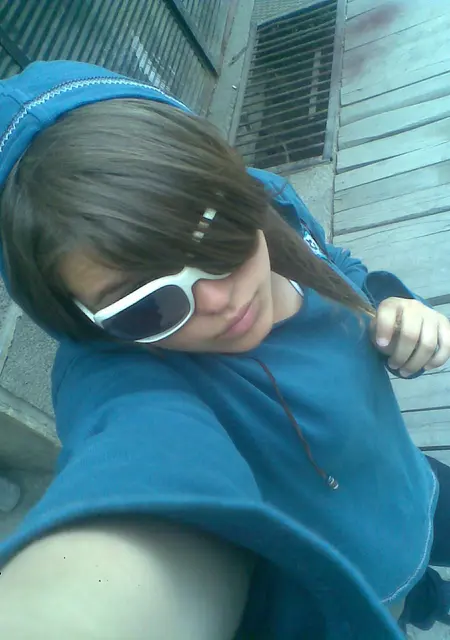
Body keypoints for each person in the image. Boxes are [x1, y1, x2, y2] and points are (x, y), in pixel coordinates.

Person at [0, 60, 449, 639]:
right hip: (363, 582)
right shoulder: (124, 375)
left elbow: (337, 266)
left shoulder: (270, 202)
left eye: (212, 236)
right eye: (145, 305)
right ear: (84, 325)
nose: (215, 299)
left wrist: (392, 307)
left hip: (414, 482)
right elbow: (140, 477)